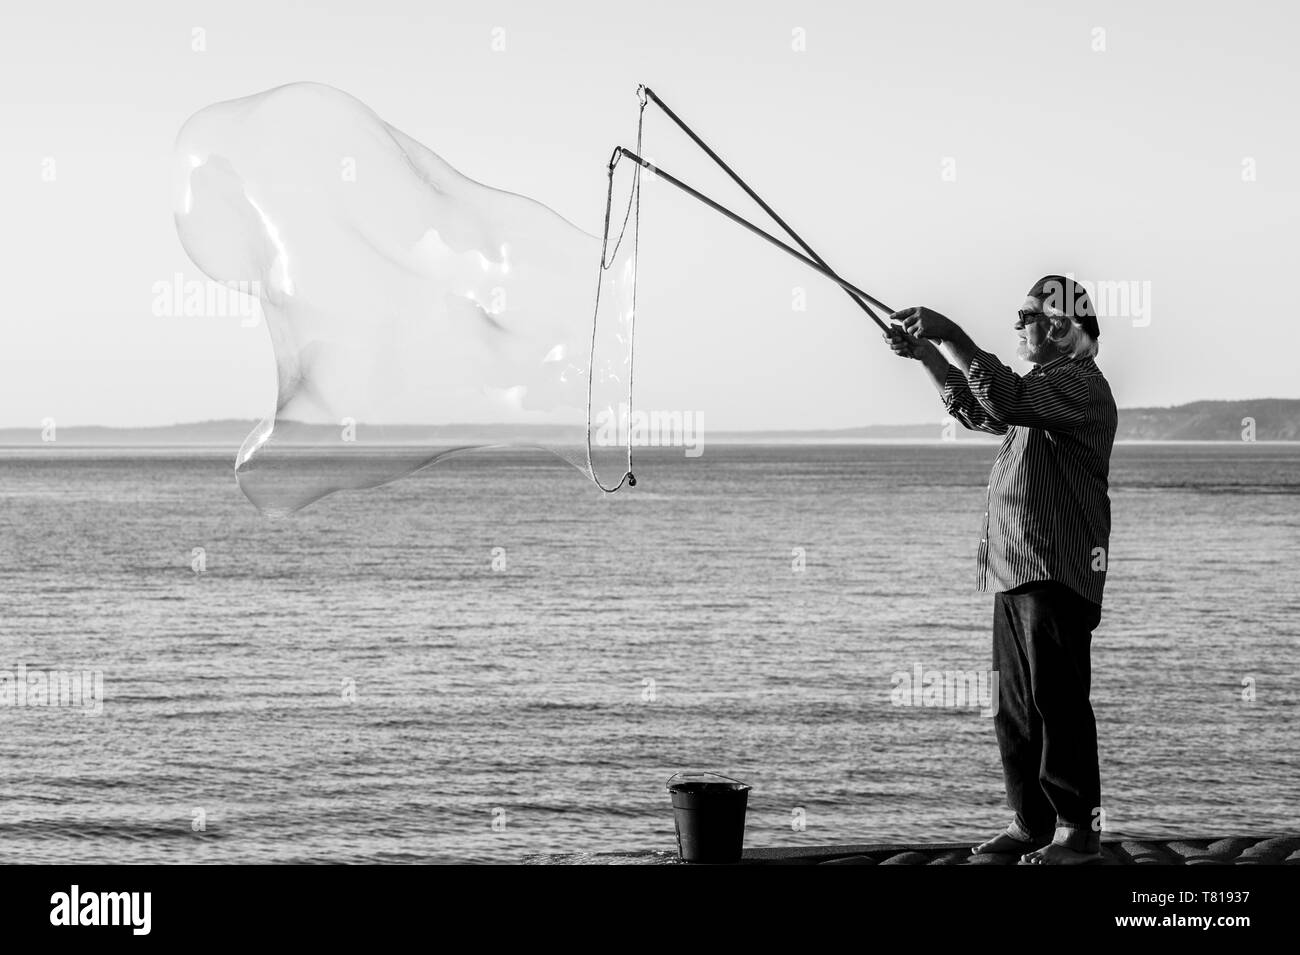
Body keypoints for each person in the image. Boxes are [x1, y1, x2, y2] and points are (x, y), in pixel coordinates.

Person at [886, 275, 1117, 865]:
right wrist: (928, 355)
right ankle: (1032, 823)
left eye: (1028, 314)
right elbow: (979, 407)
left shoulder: (1079, 385)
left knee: (1056, 701)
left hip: (1055, 572)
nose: (1017, 324)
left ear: (1064, 326)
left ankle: (1078, 834)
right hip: (1015, 571)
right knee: (1013, 708)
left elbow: (1004, 398)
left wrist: (952, 332)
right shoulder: (1039, 389)